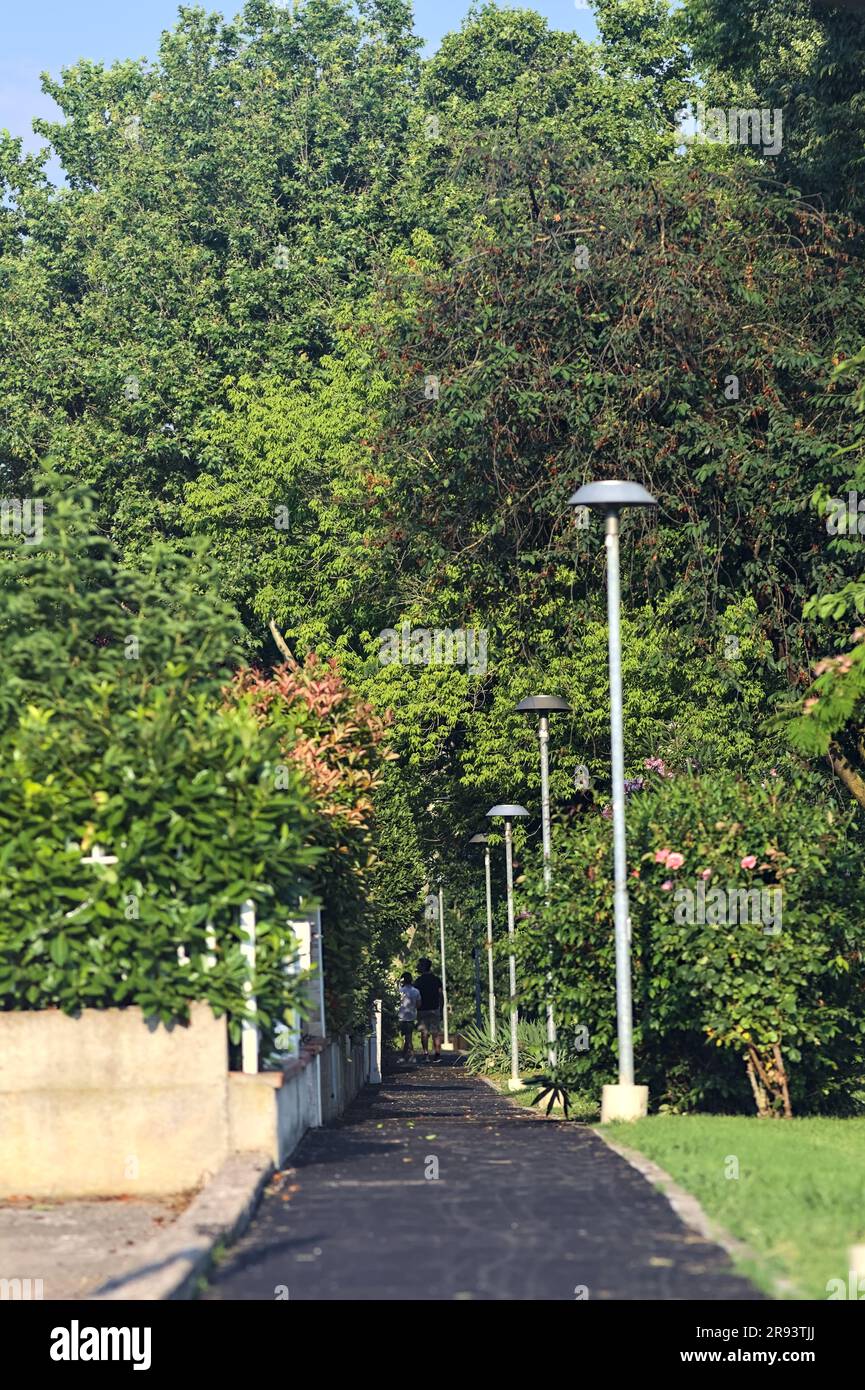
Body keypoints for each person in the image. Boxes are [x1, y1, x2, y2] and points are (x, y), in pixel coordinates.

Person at [414, 957, 444, 1063]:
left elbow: (416, 996)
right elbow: (441, 995)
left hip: (422, 1009)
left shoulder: (418, 981)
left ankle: (426, 1054)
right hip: (434, 1008)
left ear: (423, 967)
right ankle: (437, 1054)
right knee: (436, 1033)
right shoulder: (436, 980)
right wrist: (441, 1008)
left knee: (424, 1033)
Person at [398, 971, 421, 1061]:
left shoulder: (400, 991)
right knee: (408, 1036)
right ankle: (409, 1055)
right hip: (411, 1015)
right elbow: (419, 1004)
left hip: (401, 1015)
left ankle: (408, 1056)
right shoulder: (416, 991)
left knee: (406, 1037)